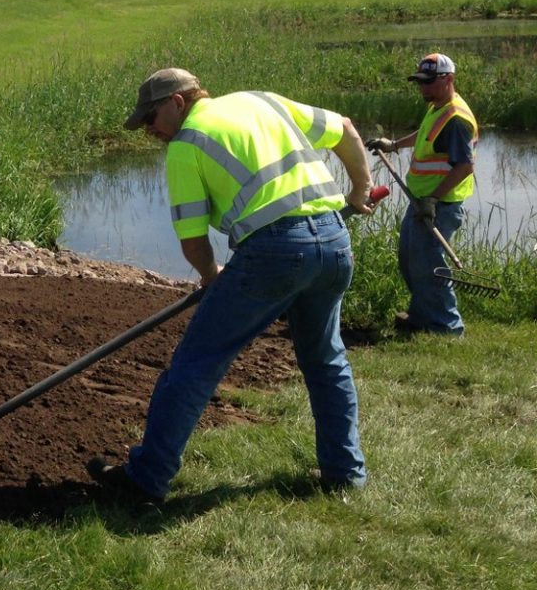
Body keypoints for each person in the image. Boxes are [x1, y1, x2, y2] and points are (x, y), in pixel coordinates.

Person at [88, 68, 375, 503]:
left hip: (275, 250)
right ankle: (345, 475)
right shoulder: (261, 99)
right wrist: (360, 188)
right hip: (334, 241)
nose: (150, 130)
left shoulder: (187, 144)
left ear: (178, 103)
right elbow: (346, 130)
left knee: (195, 364)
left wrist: (210, 275)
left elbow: (192, 238)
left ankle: (145, 481)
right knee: (325, 359)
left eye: (151, 118)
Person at [364, 52, 477, 337]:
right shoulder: (437, 108)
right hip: (421, 201)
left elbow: (464, 166)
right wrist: (393, 145)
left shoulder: (456, 119)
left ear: (448, 79)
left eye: (428, 82)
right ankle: (421, 316)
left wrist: (434, 199)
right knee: (410, 260)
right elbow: (425, 133)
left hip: (440, 205)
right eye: (420, 82)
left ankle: (448, 328)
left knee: (431, 267)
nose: (423, 88)